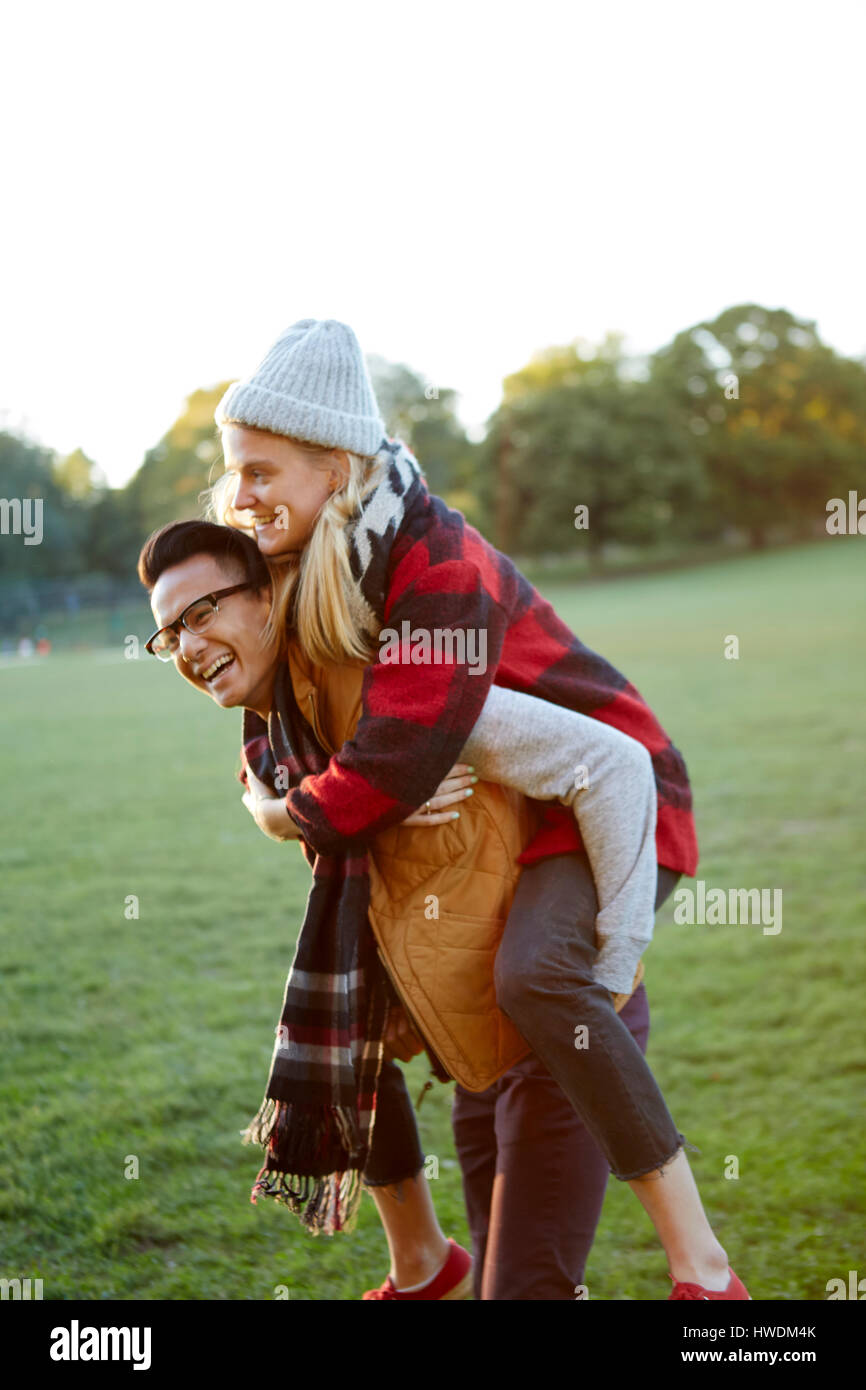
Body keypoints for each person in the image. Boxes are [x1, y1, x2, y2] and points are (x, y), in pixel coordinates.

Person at [200, 316, 751, 1301]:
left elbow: (394, 759)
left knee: (540, 974)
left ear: (335, 465)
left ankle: (703, 1271)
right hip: (511, 806)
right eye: (231, 469)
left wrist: (288, 815)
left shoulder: (432, 560)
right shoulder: (323, 563)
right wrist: (299, 783)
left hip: (606, 798)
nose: (239, 495)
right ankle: (439, 1262)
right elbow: (310, 730)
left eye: (261, 470)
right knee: (362, 993)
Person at [137, 519, 669, 1299]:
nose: (185, 645)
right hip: (474, 1040)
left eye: (201, 612)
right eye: (166, 634)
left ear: (268, 595)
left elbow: (615, 764)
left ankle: (702, 1274)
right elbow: (343, 871)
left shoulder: (400, 700)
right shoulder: (282, 742)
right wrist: (313, 808)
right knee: (507, 1271)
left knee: (525, 1287)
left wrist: (381, 783)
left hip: (556, 1031)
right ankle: (424, 1264)